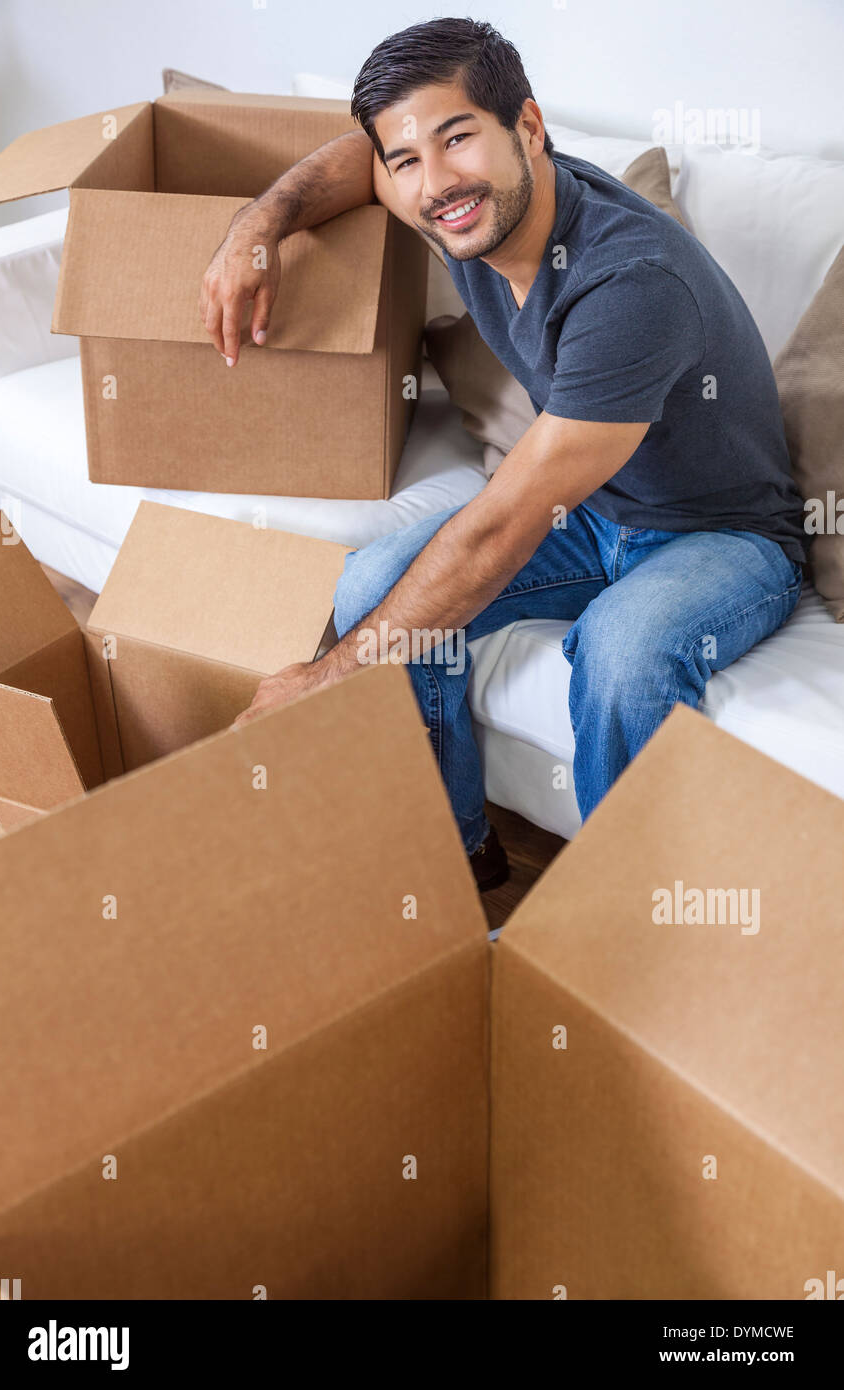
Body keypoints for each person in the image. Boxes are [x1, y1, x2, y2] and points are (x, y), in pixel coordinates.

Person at [200, 18, 807, 892]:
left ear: (527, 127)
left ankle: (628, 919)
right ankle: (459, 852)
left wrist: (329, 677)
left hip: (720, 534)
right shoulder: (459, 207)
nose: (434, 182)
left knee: (624, 652)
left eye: (457, 139)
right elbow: (358, 159)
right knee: (372, 583)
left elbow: (500, 531)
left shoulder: (631, 284)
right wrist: (255, 228)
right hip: (595, 509)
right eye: (409, 160)